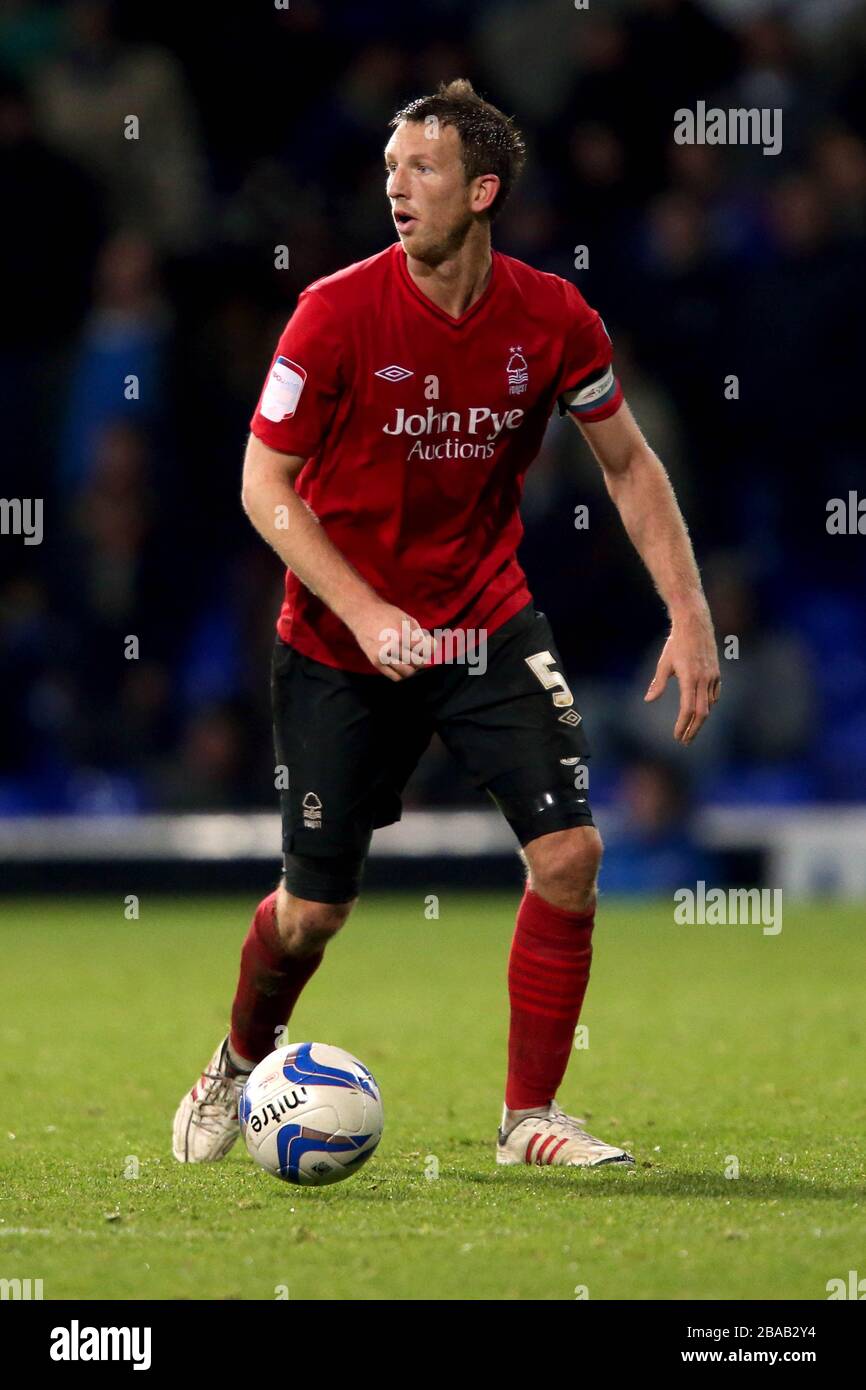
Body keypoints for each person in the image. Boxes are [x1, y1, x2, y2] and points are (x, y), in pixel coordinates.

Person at [173, 79, 720, 1171]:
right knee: (311, 916)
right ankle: (238, 1060)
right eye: (388, 170)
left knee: (568, 854)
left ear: (482, 190)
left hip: (484, 621)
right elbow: (261, 483)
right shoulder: (331, 311)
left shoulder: (552, 317)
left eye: (419, 169)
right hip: (338, 639)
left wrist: (688, 611)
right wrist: (365, 609)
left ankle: (528, 1119)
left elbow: (626, 462)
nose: (395, 187)